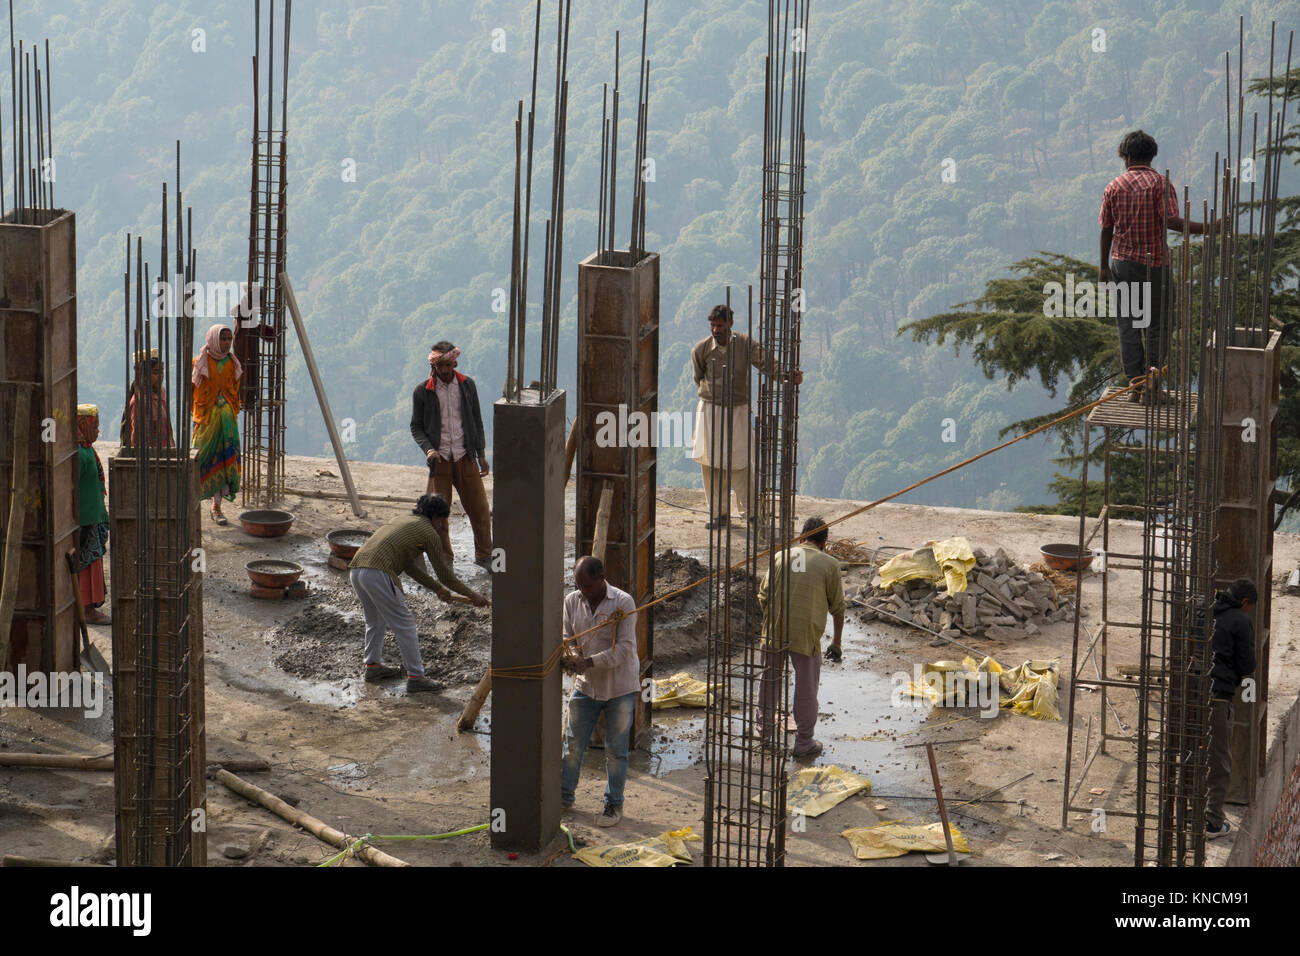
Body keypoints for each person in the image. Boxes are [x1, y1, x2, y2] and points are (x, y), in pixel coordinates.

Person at [1098, 130, 1218, 404]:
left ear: (1125, 156)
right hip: (1155, 266)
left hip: (1123, 265)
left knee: (1128, 325)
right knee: (1157, 325)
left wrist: (1104, 267)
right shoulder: (1160, 184)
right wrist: (1211, 228)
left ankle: (1135, 387)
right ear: (1152, 156)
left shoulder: (1113, 186)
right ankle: (1152, 387)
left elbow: (1106, 229)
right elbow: (1172, 222)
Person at [348, 494, 490, 694]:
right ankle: (416, 677)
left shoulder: (402, 520)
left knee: (375, 621)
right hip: (378, 572)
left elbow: (409, 567)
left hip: (356, 569)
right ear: (434, 517)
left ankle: (373, 667)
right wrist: (472, 595)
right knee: (405, 624)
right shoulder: (429, 533)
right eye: (442, 520)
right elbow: (445, 575)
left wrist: (437, 588)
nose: (442, 525)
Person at [690, 304, 802, 528]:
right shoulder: (701, 349)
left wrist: (787, 376)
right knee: (711, 464)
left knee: (741, 462)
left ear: (730, 324)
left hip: (737, 409)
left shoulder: (744, 344)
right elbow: (698, 376)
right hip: (710, 409)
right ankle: (718, 513)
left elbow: (766, 363)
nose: (716, 330)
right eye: (713, 326)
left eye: (720, 326)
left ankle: (750, 513)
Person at [757, 515, 846, 759]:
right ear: (824, 541)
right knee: (806, 688)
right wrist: (836, 643)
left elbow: (763, 596)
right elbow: (838, 608)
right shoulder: (829, 564)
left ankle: (764, 735)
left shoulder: (779, 556)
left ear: (802, 536)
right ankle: (804, 743)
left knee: (769, 681)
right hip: (806, 633)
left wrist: (773, 621)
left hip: (774, 630)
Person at [560, 556, 639, 827]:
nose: (583, 591)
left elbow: (625, 649)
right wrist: (569, 656)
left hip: (620, 687)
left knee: (616, 751)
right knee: (572, 745)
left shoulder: (623, 603)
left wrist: (589, 661)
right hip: (586, 686)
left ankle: (613, 804)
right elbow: (567, 637)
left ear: (602, 577)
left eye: (588, 586)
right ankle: (563, 797)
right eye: (579, 585)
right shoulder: (571, 601)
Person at [409, 341, 493, 570]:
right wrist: (428, 449)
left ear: (455, 362)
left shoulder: (467, 386)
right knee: (438, 515)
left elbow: (476, 421)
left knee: (480, 510)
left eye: (448, 365)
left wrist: (481, 454)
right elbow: (416, 426)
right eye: (441, 366)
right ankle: (444, 559)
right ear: (434, 366)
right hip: (440, 460)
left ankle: (484, 555)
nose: (445, 370)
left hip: (465, 456)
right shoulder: (422, 391)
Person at [1206, 578, 1258, 839]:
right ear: (1245, 602)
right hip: (1217, 696)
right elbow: (1248, 664)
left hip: (1189, 691)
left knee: (1189, 752)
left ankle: (1183, 815)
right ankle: (1212, 823)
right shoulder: (1240, 619)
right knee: (1219, 761)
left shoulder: (1205, 611)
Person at [192, 324, 243, 524]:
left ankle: (217, 507)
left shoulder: (233, 363)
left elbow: (234, 389)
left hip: (228, 421)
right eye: (223, 339)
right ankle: (194, 501)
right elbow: (192, 391)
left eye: (229, 339)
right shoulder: (200, 362)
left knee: (224, 460)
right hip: (206, 420)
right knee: (201, 457)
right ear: (213, 339)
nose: (226, 343)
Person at [74, 405, 112, 626]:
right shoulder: (79, 454)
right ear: (83, 426)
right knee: (88, 565)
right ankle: (87, 610)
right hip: (86, 518)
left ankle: (88, 607)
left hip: (93, 516)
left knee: (92, 562)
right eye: (94, 426)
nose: (98, 431)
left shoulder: (87, 450)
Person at [120, 348, 175, 448]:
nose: (160, 376)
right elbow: (136, 440)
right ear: (143, 375)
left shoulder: (161, 393)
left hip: (165, 455)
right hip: (151, 460)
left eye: (162, 372)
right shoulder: (140, 402)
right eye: (155, 373)